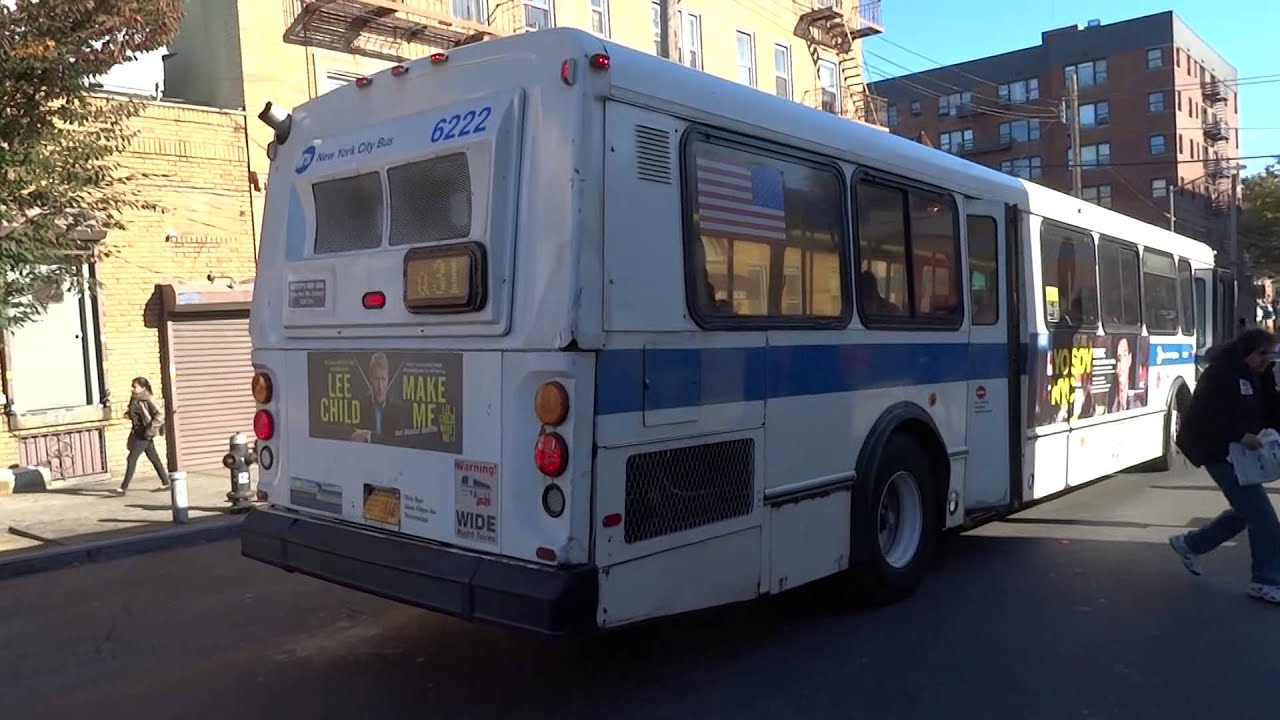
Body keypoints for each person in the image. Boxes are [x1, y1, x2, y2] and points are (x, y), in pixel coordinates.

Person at [1169, 328, 1280, 604]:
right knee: (1263, 517)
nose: (1266, 360)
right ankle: (1265, 580)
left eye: (1270, 354)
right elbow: (1206, 417)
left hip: (1240, 452)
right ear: (1246, 351)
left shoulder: (1259, 374)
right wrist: (1240, 435)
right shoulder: (1220, 374)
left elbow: (1270, 409)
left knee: (1246, 511)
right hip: (1215, 449)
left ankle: (1191, 544)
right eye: (1262, 354)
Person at [112, 377, 170, 495]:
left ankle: (123, 488)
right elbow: (136, 413)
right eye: (132, 386)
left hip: (144, 433)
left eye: (135, 387)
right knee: (153, 457)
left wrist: (150, 430)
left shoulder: (148, 398)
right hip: (137, 431)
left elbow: (160, 415)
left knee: (131, 458)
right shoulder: (135, 398)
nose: (132, 389)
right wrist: (128, 414)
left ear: (143, 388)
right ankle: (166, 482)